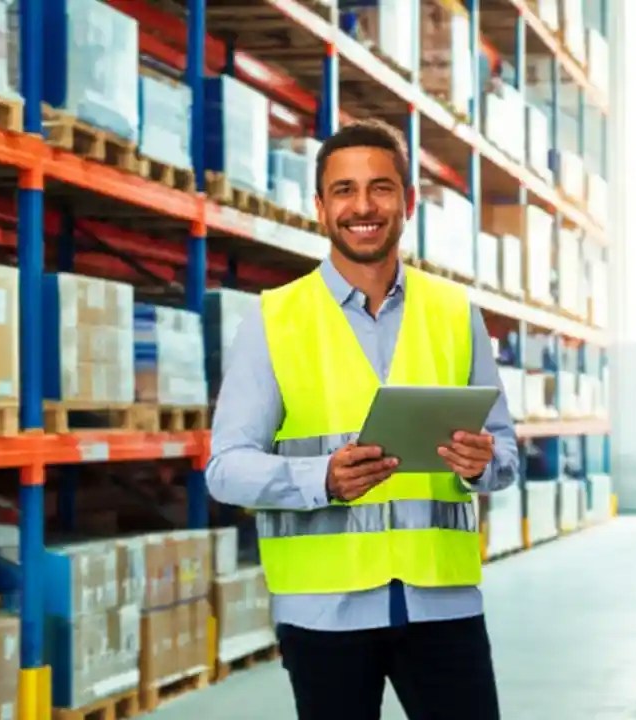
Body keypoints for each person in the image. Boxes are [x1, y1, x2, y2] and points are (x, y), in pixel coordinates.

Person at [205, 117, 517, 720]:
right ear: (320, 208)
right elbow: (226, 469)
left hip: (442, 604)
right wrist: (320, 479)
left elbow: (503, 452)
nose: (362, 206)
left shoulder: (456, 314)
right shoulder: (275, 320)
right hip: (325, 612)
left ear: (408, 202)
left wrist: (484, 466)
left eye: (380, 187)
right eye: (343, 190)